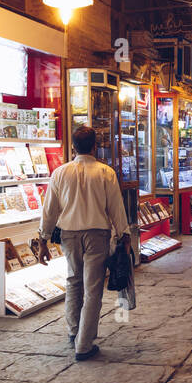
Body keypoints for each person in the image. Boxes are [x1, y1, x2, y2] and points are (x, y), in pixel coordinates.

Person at [36, 124, 130, 361]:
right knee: (92, 289)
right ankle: (84, 345)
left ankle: (74, 332)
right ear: (95, 147)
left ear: (73, 147)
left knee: (73, 282)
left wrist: (43, 240)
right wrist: (124, 235)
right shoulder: (105, 172)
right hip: (96, 234)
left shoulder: (60, 173)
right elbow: (116, 208)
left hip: (68, 234)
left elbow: (49, 210)